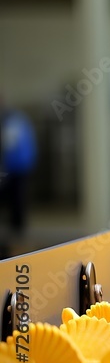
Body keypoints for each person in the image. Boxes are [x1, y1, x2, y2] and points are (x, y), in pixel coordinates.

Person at [0, 99, 37, 258]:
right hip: (10, 169)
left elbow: (24, 146)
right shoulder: (14, 120)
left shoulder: (16, 120)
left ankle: (17, 246)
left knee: (17, 205)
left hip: (17, 170)